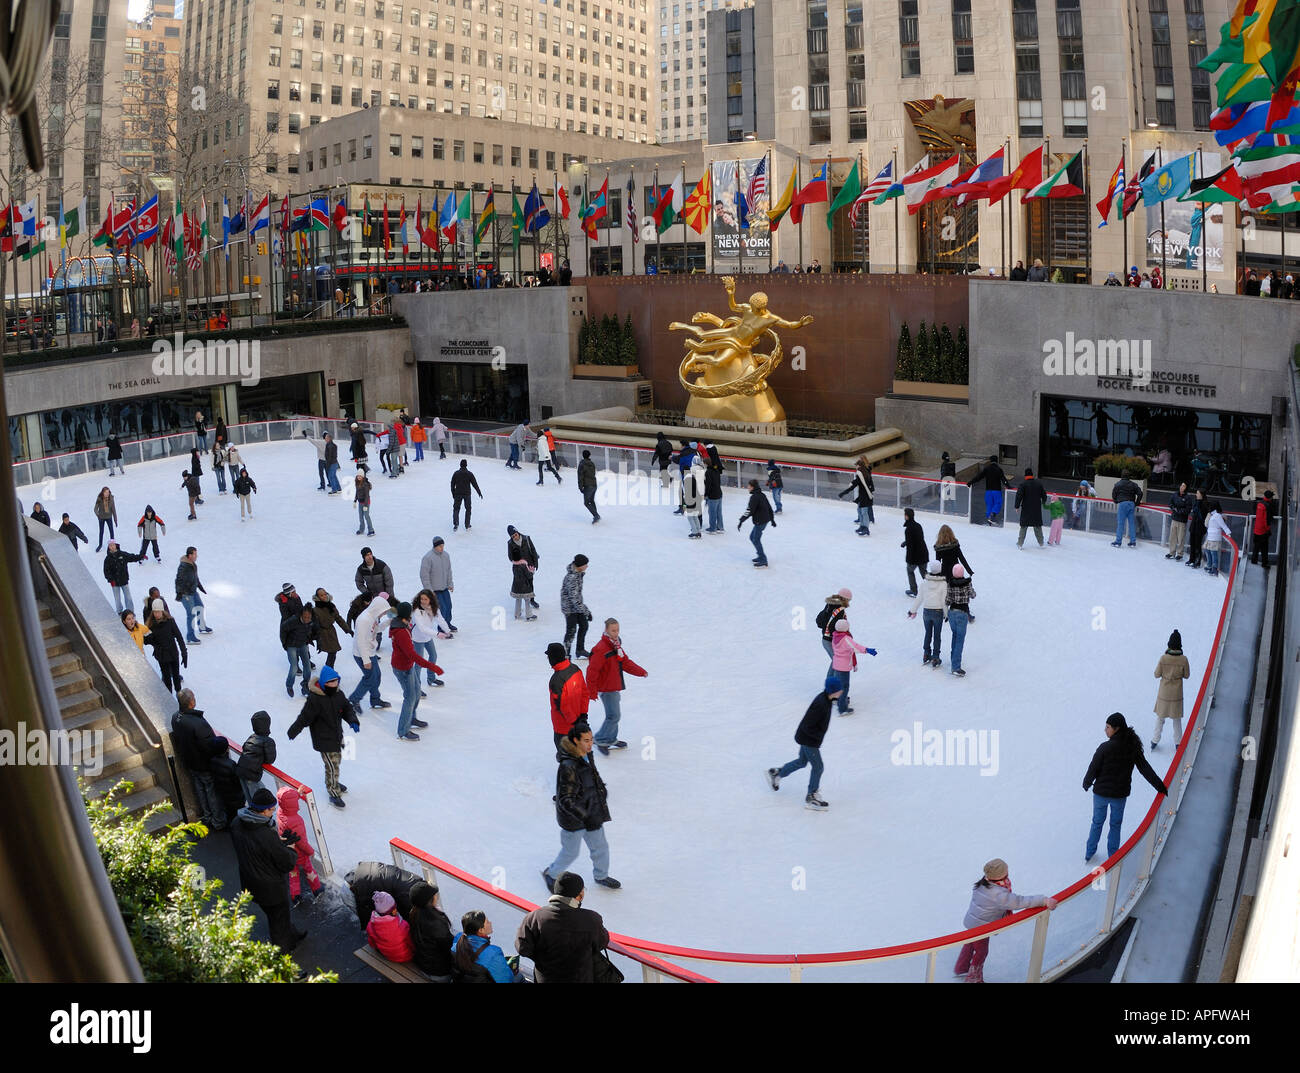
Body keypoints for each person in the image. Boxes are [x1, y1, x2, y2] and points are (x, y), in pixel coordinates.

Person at [953, 859, 1057, 983]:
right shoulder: (998, 894)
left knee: (970, 944)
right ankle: (973, 978)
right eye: (1006, 872)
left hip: (973, 922)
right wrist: (1043, 900)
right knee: (981, 951)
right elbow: (1019, 901)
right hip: (982, 927)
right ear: (1000, 876)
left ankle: (961, 967)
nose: (1008, 873)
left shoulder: (983, 883)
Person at [1083, 713, 1169, 862]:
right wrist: (1159, 785)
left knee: (1097, 822)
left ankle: (1089, 853)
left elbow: (1093, 768)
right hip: (1119, 795)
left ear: (1116, 729)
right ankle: (1113, 857)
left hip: (1101, 795)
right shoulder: (1132, 747)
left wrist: (1087, 782)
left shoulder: (1105, 747)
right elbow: (1144, 768)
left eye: (1108, 727)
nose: (1105, 730)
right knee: (1115, 825)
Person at [543, 721, 620, 890]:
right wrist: (584, 814)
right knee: (571, 852)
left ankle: (601, 876)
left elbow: (593, 776)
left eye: (591, 739)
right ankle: (552, 874)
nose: (590, 743)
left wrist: (602, 791)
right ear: (576, 740)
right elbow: (566, 799)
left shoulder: (586, 755)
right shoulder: (568, 766)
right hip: (574, 819)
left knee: (600, 848)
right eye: (586, 740)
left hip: (592, 812)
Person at [230, 787, 304, 952]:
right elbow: (286, 863)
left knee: (277, 915)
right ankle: (284, 955)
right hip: (270, 887)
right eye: (272, 809)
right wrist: (290, 848)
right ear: (263, 811)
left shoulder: (236, 823)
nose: (274, 812)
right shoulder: (265, 834)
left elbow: (257, 849)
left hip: (250, 880)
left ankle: (292, 934)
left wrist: (278, 844)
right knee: (278, 919)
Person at [516, 871, 610, 983]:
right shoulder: (591, 919)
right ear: (580, 895)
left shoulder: (534, 917)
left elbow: (522, 948)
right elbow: (602, 942)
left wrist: (543, 959)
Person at [288, 664, 359, 809]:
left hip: (337, 736)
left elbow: (346, 708)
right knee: (332, 766)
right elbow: (305, 717)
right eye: (331, 682)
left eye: (336, 681)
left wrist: (352, 720)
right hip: (323, 739)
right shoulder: (315, 699)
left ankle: (334, 782)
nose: (334, 684)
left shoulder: (339, 694)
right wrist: (294, 730)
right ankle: (333, 792)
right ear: (324, 683)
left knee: (336, 763)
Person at [767, 677, 843, 811]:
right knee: (818, 767)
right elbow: (808, 725)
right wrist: (818, 737)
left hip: (806, 738)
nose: (842, 691)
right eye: (839, 689)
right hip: (809, 740)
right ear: (833, 691)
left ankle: (777, 773)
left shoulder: (826, 699)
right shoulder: (822, 704)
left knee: (802, 762)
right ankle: (811, 796)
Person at [585, 617, 648, 755]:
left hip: (613, 686)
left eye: (617, 630)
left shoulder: (616, 646)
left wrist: (640, 671)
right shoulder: (600, 649)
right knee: (613, 716)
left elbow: (625, 663)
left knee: (614, 715)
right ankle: (601, 739)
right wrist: (592, 691)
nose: (616, 633)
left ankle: (610, 738)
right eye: (613, 630)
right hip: (606, 688)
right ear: (606, 630)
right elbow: (592, 671)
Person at [389, 601, 443, 741]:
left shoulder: (400, 623)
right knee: (410, 697)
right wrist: (432, 666)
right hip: (403, 669)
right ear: (406, 615)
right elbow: (412, 655)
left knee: (417, 692)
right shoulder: (401, 632)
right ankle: (403, 731)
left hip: (406, 666)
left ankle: (411, 719)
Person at [169, 688, 223, 829]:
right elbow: (209, 746)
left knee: (199, 788)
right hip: (203, 764)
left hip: (190, 762)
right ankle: (218, 820)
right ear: (191, 702)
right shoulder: (198, 724)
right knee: (210, 791)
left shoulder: (176, 717)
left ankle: (207, 816)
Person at [276, 786, 324, 907]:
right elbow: (301, 842)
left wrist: (297, 794)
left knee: (293, 874)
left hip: (289, 851)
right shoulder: (296, 820)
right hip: (300, 854)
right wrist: (310, 851)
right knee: (309, 870)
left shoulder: (280, 812)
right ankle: (317, 889)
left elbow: (287, 803)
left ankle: (295, 896)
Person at [452, 910, 523, 983]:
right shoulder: (493, 953)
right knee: (519, 977)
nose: (490, 923)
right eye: (487, 922)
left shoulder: (457, 940)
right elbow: (506, 980)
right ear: (481, 930)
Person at [408, 881, 456, 981]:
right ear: (429, 901)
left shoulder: (414, 914)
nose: (436, 896)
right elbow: (450, 948)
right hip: (440, 973)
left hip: (424, 966)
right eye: (434, 894)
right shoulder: (436, 924)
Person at [1151, 629, 1191, 751]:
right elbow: (1187, 675)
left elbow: (1156, 674)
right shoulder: (1183, 659)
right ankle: (1178, 743)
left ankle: (1155, 740)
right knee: (1176, 720)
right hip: (1176, 695)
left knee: (1160, 718)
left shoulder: (1163, 658)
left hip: (1164, 694)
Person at [907, 562, 948, 668]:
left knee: (928, 633)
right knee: (937, 635)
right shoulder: (943, 583)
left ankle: (926, 654)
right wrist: (946, 614)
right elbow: (944, 601)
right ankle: (935, 657)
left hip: (927, 612)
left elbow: (919, 598)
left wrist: (912, 610)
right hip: (938, 612)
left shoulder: (925, 582)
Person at [829, 620, 874, 716]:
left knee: (840, 685)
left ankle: (839, 702)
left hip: (837, 664)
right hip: (843, 666)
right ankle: (842, 709)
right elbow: (855, 647)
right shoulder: (845, 638)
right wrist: (867, 650)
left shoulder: (835, 636)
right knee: (844, 687)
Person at [410, 589, 449, 688]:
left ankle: (431, 678)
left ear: (430, 600)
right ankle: (416, 686)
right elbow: (422, 628)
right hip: (417, 639)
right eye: (421, 599)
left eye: (425, 599)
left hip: (427, 637)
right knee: (419, 662)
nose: (423, 601)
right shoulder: (416, 611)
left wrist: (447, 630)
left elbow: (440, 619)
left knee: (433, 656)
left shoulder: (433, 608)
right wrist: (437, 634)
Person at [174, 545, 213, 644]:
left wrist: (200, 587)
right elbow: (178, 580)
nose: (196, 556)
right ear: (190, 555)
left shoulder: (193, 564)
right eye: (195, 554)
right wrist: (179, 593)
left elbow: (195, 578)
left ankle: (202, 627)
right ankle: (190, 637)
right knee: (191, 614)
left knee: (200, 606)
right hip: (186, 594)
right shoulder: (183, 566)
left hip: (193, 591)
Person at [237, 711, 277, 803]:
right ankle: (257, 814)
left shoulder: (252, 737)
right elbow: (270, 759)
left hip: (240, 770)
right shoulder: (268, 741)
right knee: (258, 799)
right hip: (251, 774)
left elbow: (244, 747)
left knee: (250, 796)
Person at [281, 603, 319, 698]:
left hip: (303, 645)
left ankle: (305, 685)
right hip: (292, 646)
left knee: (307, 666)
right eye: (305, 617)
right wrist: (285, 644)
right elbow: (283, 628)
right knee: (294, 667)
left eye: (308, 617)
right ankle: (289, 685)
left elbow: (316, 630)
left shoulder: (312, 621)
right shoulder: (294, 620)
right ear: (301, 614)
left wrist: (314, 638)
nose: (306, 619)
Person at [418, 537, 456, 631]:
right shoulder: (428, 558)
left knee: (449, 606)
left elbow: (448, 571)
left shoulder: (446, 556)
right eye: (440, 546)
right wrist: (429, 591)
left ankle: (447, 623)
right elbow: (424, 576)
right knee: (442, 608)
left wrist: (450, 584)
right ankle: (442, 627)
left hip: (444, 588)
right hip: (434, 590)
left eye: (443, 546)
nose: (442, 548)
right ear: (435, 546)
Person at [561, 555, 593, 660]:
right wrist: (586, 611)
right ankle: (565, 653)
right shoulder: (572, 578)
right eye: (585, 564)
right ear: (580, 566)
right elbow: (573, 598)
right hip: (570, 608)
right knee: (571, 630)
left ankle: (580, 649)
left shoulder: (578, 574)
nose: (587, 566)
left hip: (577, 607)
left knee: (584, 626)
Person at [737, 478, 775, 568]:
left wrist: (741, 520)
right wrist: (772, 519)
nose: (747, 488)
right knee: (752, 537)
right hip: (763, 520)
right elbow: (769, 507)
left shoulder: (754, 497)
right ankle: (760, 556)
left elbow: (749, 511)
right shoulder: (762, 495)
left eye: (749, 486)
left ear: (753, 487)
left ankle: (763, 559)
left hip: (760, 521)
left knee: (755, 539)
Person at [946, 565, 975, 678]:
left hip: (952, 612)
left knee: (955, 636)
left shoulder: (950, 583)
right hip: (962, 613)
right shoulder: (967, 583)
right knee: (959, 640)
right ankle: (956, 667)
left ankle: (953, 659)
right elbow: (973, 595)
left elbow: (947, 599)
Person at [103, 541, 146, 614]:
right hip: (114, 582)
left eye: (113, 545)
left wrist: (140, 556)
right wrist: (110, 580)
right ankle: (119, 611)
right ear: (109, 547)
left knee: (128, 597)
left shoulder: (122, 554)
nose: (112, 547)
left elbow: (132, 557)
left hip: (124, 580)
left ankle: (130, 611)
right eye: (110, 545)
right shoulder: (108, 559)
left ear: (116, 545)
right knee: (117, 598)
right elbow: (106, 571)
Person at [508, 524, 540, 619]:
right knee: (527, 589)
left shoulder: (527, 539)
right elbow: (510, 557)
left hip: (529, 566)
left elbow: (533, 551)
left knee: (526, 587)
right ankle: (528, 613)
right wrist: (517, 560)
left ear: (517, 532)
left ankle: (530, 601)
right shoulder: (510, 543)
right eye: (513, 536)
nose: (515, 537)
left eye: (515, 534)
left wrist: (535, 564)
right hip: (522, 569)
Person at [816, 589, 852, 672]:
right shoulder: (839, 610)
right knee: (837, 661)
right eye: (849, 600)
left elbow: (822, 622)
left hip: (825, 638)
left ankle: (831, 681)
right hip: (831, 640)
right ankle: (830, 682)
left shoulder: (830, 605)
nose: (849, 602)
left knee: (836, 660)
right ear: (845, 598)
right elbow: (835, 627)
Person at [1014, 467, 1048, 549]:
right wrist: (1043, 501)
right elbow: (1044, 495)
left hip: (1026, 508)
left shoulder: (1023, 484)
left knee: (1024, 526)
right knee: (1037, 525)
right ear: (1032, 475)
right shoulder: (1038, 483)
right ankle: (1041, 543)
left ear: (1025, 475)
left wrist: (1017, 506)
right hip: (1036, 508)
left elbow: (1019, 496)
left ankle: (1020, 544)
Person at [968, 455, 1007, 526]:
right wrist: (1008, 486)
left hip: (988, 491)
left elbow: (978, 477)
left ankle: (989, 520)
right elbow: (1003, 479)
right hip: (996, 491)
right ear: (997, 461)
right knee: (998, 503)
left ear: (990, 461)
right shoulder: (999, 469)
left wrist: (970, 482)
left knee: (989, 505)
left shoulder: (987, 469)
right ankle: (992, 515)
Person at [838, 461, 874, 535]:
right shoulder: (863, 473)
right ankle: (862, 526)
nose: (855, 467)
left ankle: (866, 528)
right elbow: (857, 482)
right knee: (860, 510)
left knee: (864, 512)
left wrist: (844, 492)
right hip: (862, 496)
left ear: (859, 466)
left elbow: (855, 485)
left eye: (856, 465)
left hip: (866, 496)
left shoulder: (862, 474)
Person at [1110, 472, 1143, 548]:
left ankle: (1118, 542)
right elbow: (1140, 493)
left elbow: (1114, 493)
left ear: (1122, 476)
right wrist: (1137, 503)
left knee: (1121, 523)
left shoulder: (1118, 484)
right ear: (1129, 477)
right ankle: (1132, 542)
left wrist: (1115, 501)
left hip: (1123, 504)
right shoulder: (1133, 484)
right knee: (1131, 523)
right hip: (1131, 504)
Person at [450, 458, 483, 531]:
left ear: (460, 465)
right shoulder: (469, 474)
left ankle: (456, 524)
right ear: (466, 465)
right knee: (468, 509)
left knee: (456, 509)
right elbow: (475, 484)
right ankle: (467, 525)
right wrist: (479, 492)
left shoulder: (456, 473)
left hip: (458, 494)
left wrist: (453, 493)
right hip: (467, 494)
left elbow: (452, 484)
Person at [901, 507, 928, 596]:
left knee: (910, 570)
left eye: (905, 515)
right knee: (924, 573)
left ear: (907, 516)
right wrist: (906, 543)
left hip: (915, 556)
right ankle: (932, 589)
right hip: (923, 553)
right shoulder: (918, 525)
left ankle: (914, 590)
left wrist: (909, 559)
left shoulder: (908, 529)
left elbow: (911, 545)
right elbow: (918, 539)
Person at [1203, 500, 1231, 577]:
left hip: (1215, 537)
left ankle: (1214, 568)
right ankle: (1209, 565)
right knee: (1207, 550)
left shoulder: (1218, 516)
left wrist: (1228, 532)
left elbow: (1223, 525)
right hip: (1210, 536)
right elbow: (1206, 524)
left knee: (1213, 553)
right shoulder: (1211, 515)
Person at [1166, 482, 1193, 560]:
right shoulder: (1175, 494)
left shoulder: (1188, 498)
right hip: (1174, 519)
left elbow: (1188, 509)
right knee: (1172, 537)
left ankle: (1180, 554)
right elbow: (1170, 503)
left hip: (1182, 520)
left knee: (1180, 538)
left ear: (1186, 488)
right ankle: (1172, 552)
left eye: (1184, 486)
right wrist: (1174, 508)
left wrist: (1180, 511)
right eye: (1181, 485)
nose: (1181, 487)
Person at [1251, 489, 1276, 569]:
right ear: (1270, 498)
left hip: (1256, 529)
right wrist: (1268, 529)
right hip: (1263, 530)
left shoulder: (1259, 503)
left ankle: (1254, 560)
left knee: (1256, 546)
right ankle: (1264, 563)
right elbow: (1267, 520)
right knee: (1264, 548)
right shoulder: (1268, 506)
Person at [682, 453, 705, 538]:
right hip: (698, 497)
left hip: (691, 499)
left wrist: (684, 503)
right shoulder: (695, 475)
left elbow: (686, 492)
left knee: (690, 516)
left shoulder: (687, 478)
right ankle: (698, 531)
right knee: (696, 515)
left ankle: (694, 532)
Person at [1186, 488, 1208, 569]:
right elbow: (1193, 512)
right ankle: (1191, 559)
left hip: (1200, 527)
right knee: (1192, 543)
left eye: (1197, 493)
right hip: (1194, 526)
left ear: (1201, 495)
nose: (1196, 495)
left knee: (1197, 545)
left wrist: (1197, 509)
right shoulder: (1196, 502)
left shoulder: (1205, 504)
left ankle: (1197, 561)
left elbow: (1202, 516)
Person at [577, 449, 600, 523]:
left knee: (586, 503)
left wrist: (580, 487)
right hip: (594, 484)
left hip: (588, 486)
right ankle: (596, 515)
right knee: (591, 501)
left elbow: (580, 476)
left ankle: (596, 515)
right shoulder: (592, 463)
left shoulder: (582, 464)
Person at [93, 487, 118, 551]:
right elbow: (95, 509)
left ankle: (113, 545)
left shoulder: (111, 498)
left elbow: (113, 509)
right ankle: (100, 545)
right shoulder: (99, 498)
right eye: (106, 492)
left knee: (111, 531)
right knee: (101, 531)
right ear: (103, 492)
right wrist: (98, 515)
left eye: (108, 492)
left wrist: (115, 519)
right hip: (101, 518)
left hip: (109, 517)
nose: (107, 493)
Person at [354, 471, 374, 536]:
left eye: (360, 476)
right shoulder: (357, 483)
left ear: (363, 477)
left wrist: (365, 505)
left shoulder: (365, 484)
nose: (359, 477)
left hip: (366, 502)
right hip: (360, 502)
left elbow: (367, 496)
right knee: (360, 516)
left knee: (366, 516)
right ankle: (361, 529)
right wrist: (355, 501)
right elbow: (357, 493)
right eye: (358, 476)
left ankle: (371, 530)